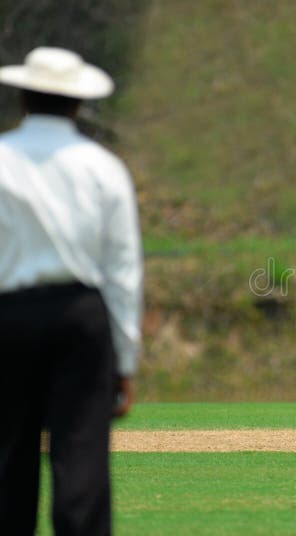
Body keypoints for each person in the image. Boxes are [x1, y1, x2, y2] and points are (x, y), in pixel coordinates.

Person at [0, 47, 143, 534]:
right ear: (78, 103)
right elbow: (122, 270)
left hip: (8, 318)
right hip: (80, 318)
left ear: (23, 96)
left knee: (6, 460)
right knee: (81, 458)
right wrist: (125, 361)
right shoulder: (103, 168)